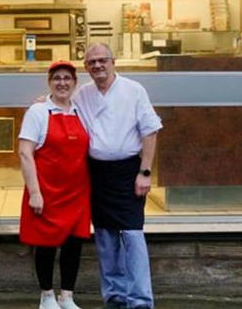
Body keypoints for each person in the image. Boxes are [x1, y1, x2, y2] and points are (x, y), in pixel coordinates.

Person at [72, 43, 162, 309]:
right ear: (86, 67)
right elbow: (62, 106)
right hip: (97, 173)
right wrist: (44, 103)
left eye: (102, 60)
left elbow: (150, 131)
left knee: (132, 235)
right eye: (92, 62)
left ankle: (141, 300)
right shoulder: (83, 93)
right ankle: (114, 297)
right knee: (105, 237)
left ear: (113, 62)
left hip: (128, 172)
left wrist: (145, 172)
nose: (98, 66)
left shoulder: (133, 90)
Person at [18, 60, 91, 309]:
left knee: (74, 244)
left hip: (77, 192)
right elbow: (25, 153)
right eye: (57, 78)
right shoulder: (38, 112)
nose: (62, 83)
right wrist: (35, 193)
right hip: (46, 191)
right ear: (49, 82)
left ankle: (67, 297)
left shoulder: (81, 110)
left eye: (67, 78)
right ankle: (47, 297)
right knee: (46, 245)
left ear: (75, 83)